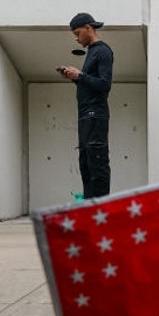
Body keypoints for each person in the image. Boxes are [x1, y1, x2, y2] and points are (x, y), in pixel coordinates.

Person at [57, 12, 113, 199]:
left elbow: (105, 85)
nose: (76, 38)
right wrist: (75, 78)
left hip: (95, 115)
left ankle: (101, 208)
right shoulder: (92, 52)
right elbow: (91, 84)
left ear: (89, 28)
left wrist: (80, 76)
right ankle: (90, 207)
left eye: (78, 33)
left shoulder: (103, 51)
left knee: (97, 162)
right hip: (86, 115)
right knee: (86, 163)